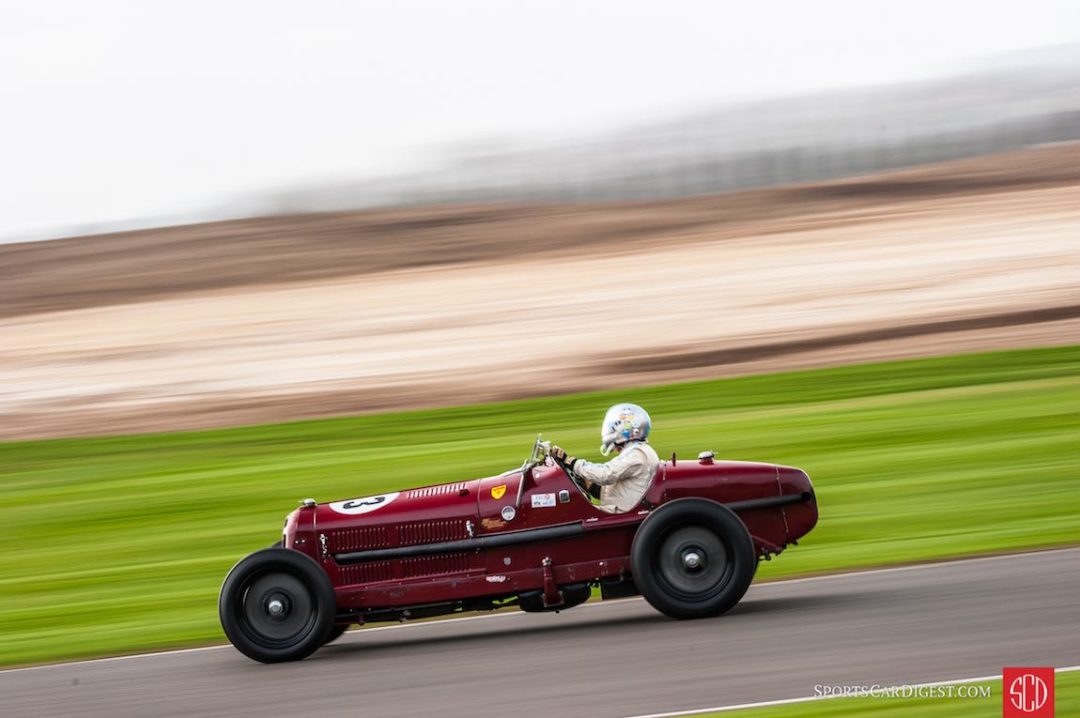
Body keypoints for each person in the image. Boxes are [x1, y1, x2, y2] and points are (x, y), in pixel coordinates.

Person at [550, 403, 659, 513]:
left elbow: (605, 474)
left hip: (624, 514)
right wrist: (592, 487)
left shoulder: (637, 455)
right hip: (626, 509)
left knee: (572, 513)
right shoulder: (640, 451)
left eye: (613, 428)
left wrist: (572, 462)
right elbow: (625, 489)